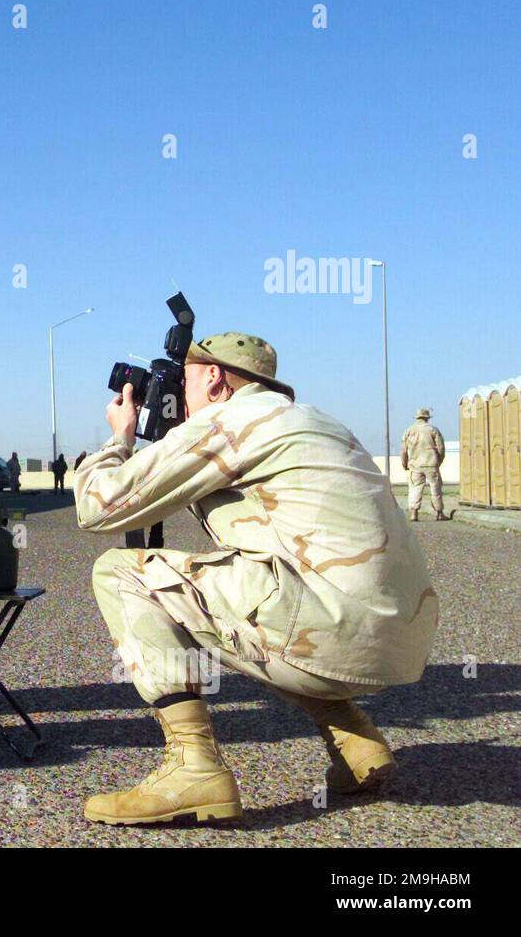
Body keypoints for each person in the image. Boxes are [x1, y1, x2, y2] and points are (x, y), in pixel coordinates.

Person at [74, 332, 437, 825]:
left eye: (185, 382)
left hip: (327, 626)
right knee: (257, 595)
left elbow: (98, 508)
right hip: (399, 637)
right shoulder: (318, 421)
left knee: (120, 573)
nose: (180, 397)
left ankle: (193, 767)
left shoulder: (230, 421)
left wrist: (119, 438)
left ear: (214, 378)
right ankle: (356, 739)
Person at [402, 408, 448, 522]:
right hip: (431, 463)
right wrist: (439, 461)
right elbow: (441, 448)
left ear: (416, 418)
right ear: (427, 418)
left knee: (414, 488)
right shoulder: (433, 430)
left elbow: (403, 451)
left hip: (415, 465)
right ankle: (439, 513)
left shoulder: (409, 430)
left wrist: (405, 464)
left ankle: (414, 513)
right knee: (435, 489)